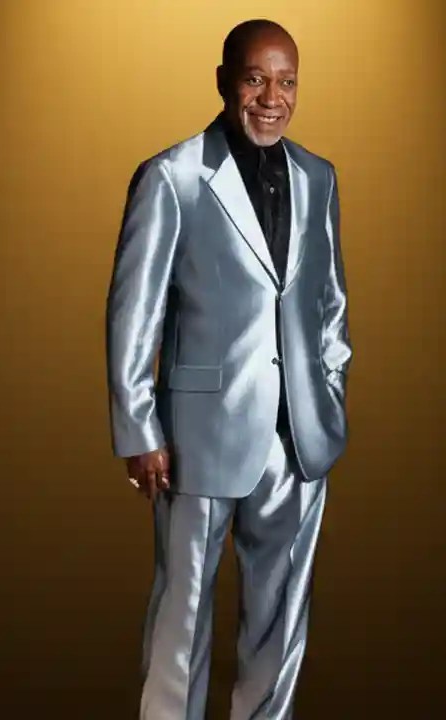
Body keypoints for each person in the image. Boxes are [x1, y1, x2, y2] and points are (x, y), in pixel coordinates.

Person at [105, 18, 352, 720]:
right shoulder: (173, 177)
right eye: (255, 79)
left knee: (282, 619)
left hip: (298, 438)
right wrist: (138, 427)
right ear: (223, 82)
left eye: (287, 82)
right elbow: (134, 311)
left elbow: (330, 303)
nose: (272, 98)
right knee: (181, 615)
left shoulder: (319, 177)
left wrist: (329, 393)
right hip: (195, 438)